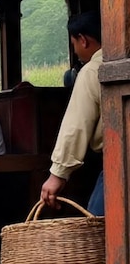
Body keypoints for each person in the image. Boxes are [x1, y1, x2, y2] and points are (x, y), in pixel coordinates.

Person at [41, 11, 104, 214]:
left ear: (83, 40)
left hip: (121, 163)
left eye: (74, 43)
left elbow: (76, 125)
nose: (75, 51)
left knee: (100, 227)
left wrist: (57, 174)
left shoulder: (92, 70)